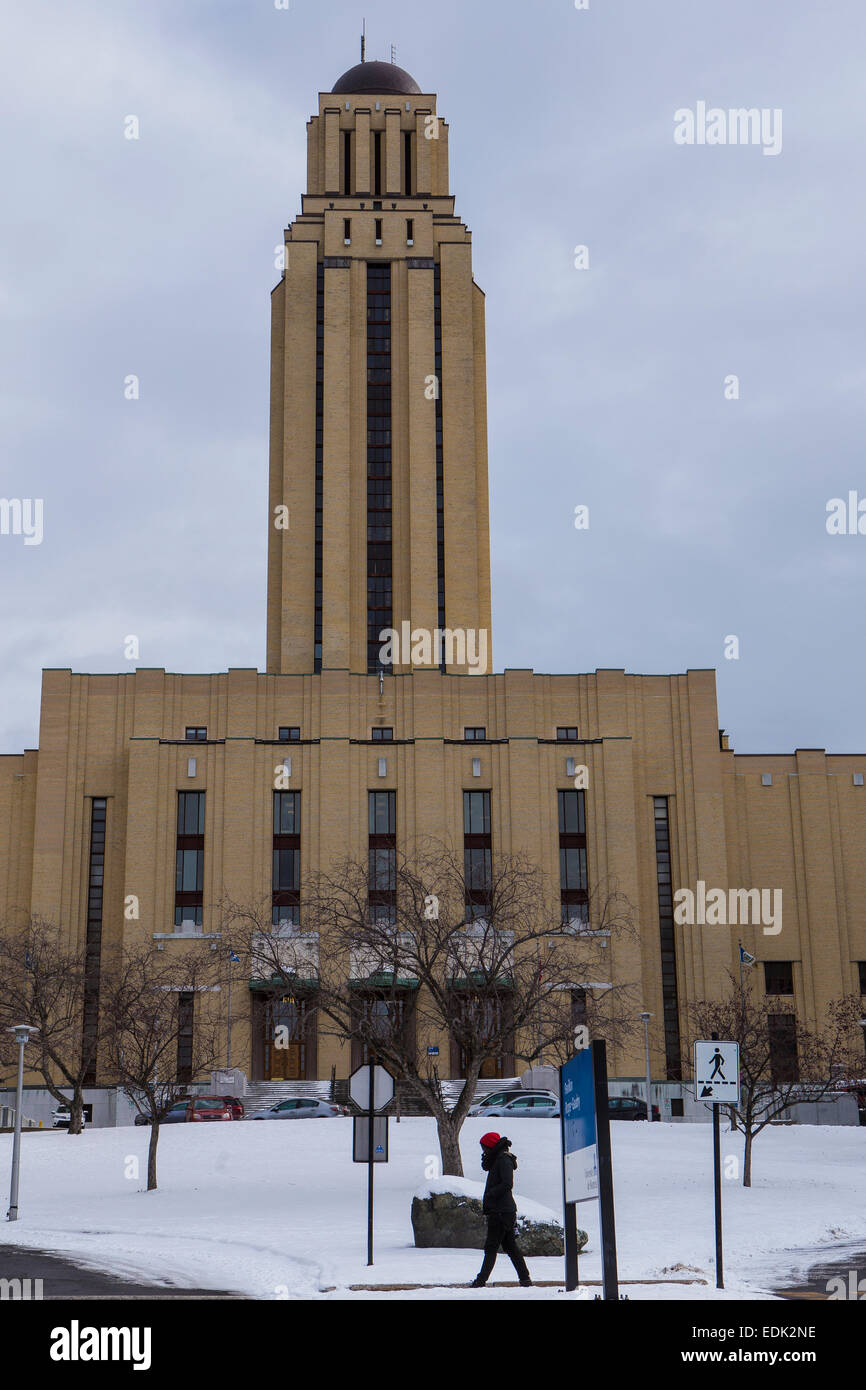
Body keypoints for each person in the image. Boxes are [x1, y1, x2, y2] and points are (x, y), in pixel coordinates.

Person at [471, 1132, 532, 1287]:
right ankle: (525, 1279)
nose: (483, 1151)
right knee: (511, 1247)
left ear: (491, 1146)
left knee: (491, 1247)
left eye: (484, 1147)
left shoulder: (503, 1160)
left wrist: (491, 1194)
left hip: (501, 1211)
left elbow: (507, 1184)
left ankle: (480, 1281)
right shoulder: (498, 1159)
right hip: (502, 1210)